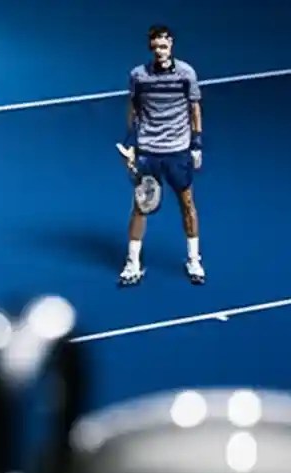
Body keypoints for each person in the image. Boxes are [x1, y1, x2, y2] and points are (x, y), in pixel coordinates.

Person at [118, 24, 204, 286]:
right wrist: (132, 143)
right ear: (150, 48)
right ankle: (132, 264)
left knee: (187, 204)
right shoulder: (139, 76)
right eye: (155, 47)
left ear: (172, 45)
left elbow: (194, 109)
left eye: (164, 46)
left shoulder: (186, 74)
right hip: (149, 151)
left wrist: (197, 144)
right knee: (141, 207)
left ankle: (194, 259)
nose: (160, 51)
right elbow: (134, 109)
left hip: (178, 150)